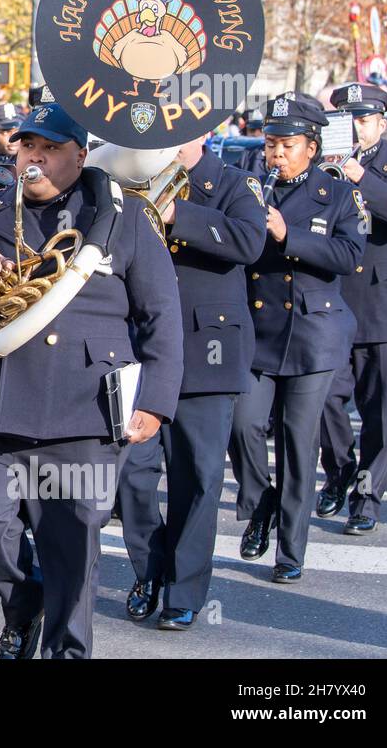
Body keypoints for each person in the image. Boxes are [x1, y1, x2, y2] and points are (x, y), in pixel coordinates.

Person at [0, 103, 183, 658]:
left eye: (51, 148)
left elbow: (161, 316)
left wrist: (155, 402)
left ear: (80, 156)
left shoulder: (119, 215)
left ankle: (67, 652)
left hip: (81, 408)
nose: (35, 157)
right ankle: (23, 599)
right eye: (27, 146)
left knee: (72, 549)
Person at [116, 134, 265, 629]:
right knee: (131, 475)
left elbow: (250, 241)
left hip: (207, 349)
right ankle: (149, 570)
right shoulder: (128, 174)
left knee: (197, 478)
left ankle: (183, 590)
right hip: (142, 346)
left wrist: (180, 214)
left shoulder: (233, 182)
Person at [228, 93, 365, 583]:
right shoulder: (249, 187)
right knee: (242, 426)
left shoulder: (336, 194)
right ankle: (260, 501)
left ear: (311, 146)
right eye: (269, 145)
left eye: (286, 144)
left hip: (312, 334)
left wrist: (290, 236)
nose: (276, 154)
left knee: (297, 442)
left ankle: (291, 549)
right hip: (258, 333)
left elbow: (350, 254)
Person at [315, 83, 387, 533]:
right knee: (324, 400)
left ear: (380, 123)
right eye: (346, 119)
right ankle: (339, 472)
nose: (355, 127)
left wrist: (361, 177)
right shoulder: (319, 170)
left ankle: (367, 495)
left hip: (385, 305)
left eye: (362, 119)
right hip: (333, 301)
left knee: (382, 408)